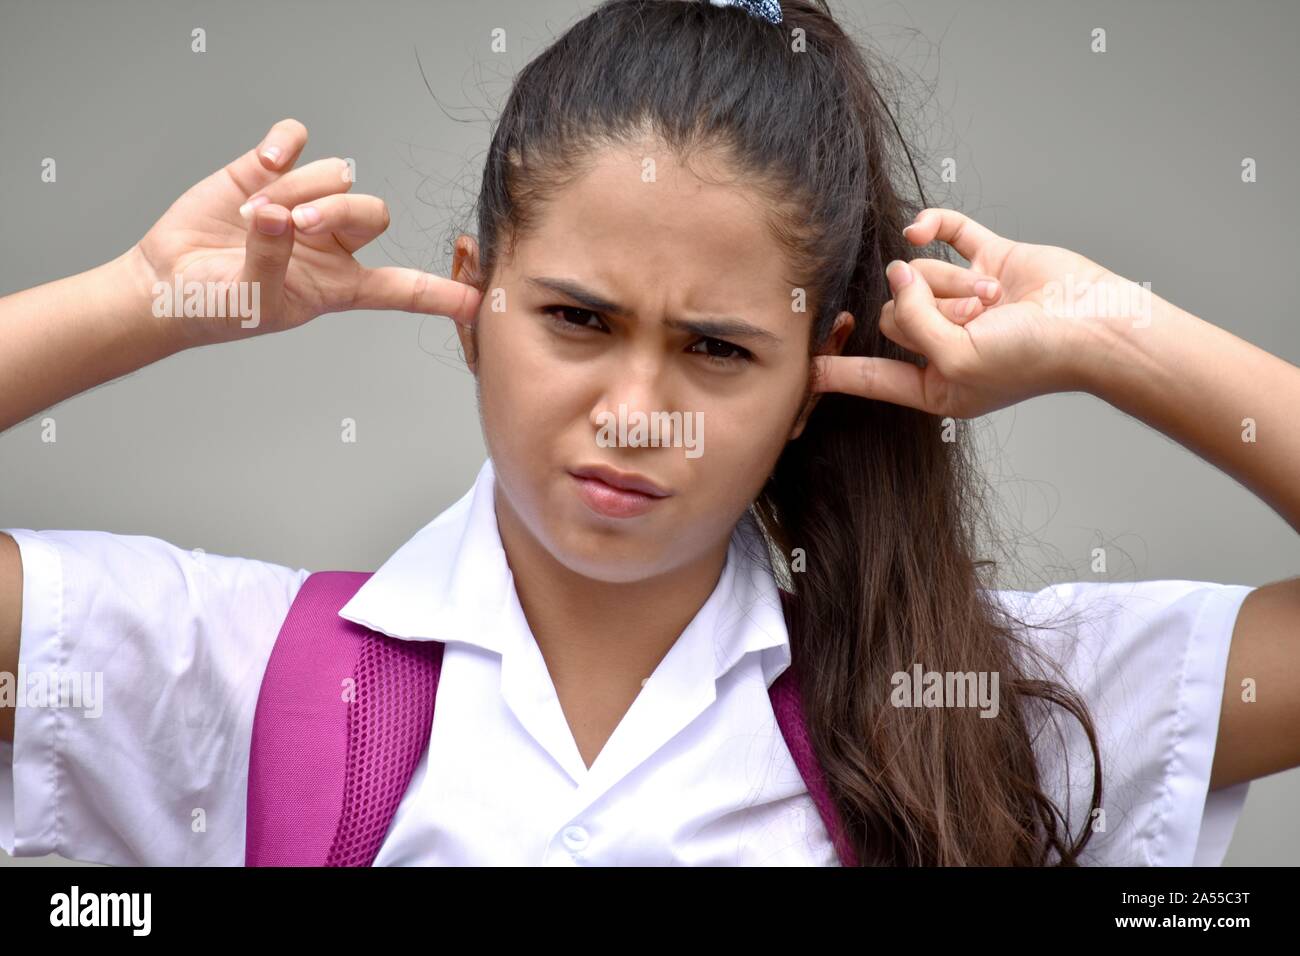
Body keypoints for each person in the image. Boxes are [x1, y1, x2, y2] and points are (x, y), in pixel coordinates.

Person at [1, 0, 1297, 867]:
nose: (634, 411)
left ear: (816, 373)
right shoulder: (227, 676)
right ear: (473, 298)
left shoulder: (974, 708)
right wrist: (144, 303)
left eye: (720, 348)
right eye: (575, 318)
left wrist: (1117, 335)